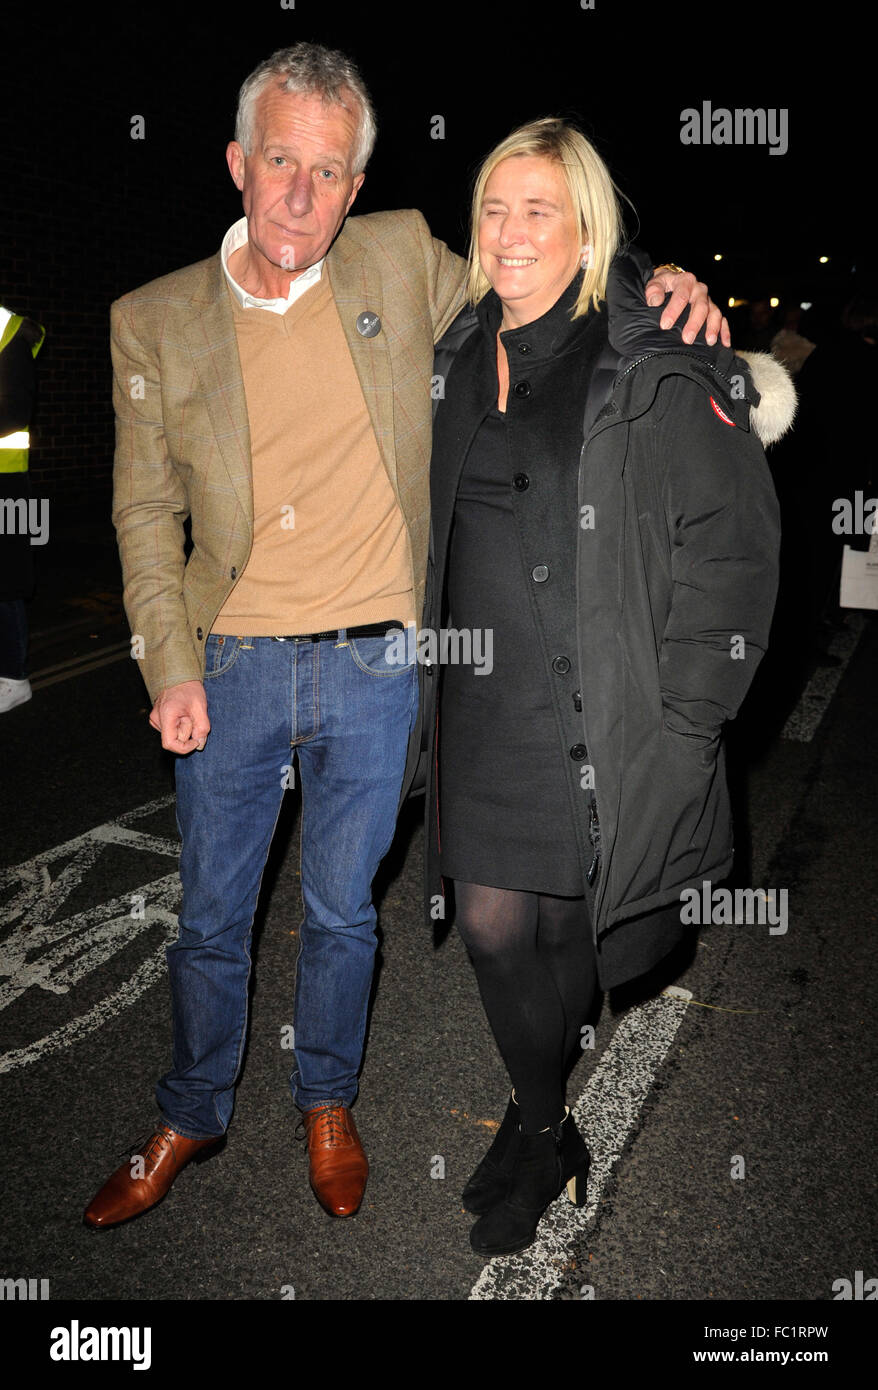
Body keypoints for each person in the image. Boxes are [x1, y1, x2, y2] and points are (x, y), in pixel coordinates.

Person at [83, 43, 726, 1229]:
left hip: (381, 665)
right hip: (228, 660)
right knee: (212, 917)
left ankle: (325, 1102)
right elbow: (140, 509)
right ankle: (189, 1109)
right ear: (237, 162)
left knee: (339, 909)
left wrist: (660, 283)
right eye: (279, 162)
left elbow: (543, 275)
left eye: (329, 172)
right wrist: (166, 660)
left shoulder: (393, 256)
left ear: (355, 181)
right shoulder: (153, 320)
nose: (301, 197)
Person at [424, 118, 794, 1257]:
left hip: (603, 708)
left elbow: (729, 549)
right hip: (477, 703)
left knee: (571, 932)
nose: (511, 232)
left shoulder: (649, 357)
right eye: (494, 206)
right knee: (490, 927)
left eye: (541, 209)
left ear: (589, 233)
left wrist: (687, 725)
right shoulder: (452, 340)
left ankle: (536, 1131)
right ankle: (545, 1121)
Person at [0, 305, 45, 713]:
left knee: (8, 582)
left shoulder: (8, 330)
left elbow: (12, 413)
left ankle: (14, 678)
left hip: (9, 484)